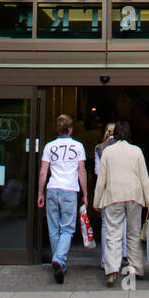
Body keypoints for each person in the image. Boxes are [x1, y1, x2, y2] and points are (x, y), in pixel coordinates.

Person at [93, 120, 149, 286]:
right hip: (134, 196)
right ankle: (135, 269)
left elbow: (101, 181)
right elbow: (144, 179)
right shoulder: (137, 151)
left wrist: (96, 201)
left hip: (113, 196)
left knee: (113, 233)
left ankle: (111, 271)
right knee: (133, 234)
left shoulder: (108, 152)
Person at [37, 114, 89, 284]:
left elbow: (43, 172)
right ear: (71, 129)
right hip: (69, 190)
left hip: (52, 188)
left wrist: (40, 193)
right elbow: (81, 171)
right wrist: (86, 193)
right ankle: (59, 260)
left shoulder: (49, 147)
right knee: (67, 229)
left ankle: (60, 263)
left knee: (54, 228)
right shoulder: (78, 146)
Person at [94, 122, 126, 271]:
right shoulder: (125, 148)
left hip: (106, 190)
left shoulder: (100, 149)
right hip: (121, 189)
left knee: (106, 226)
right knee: (123, 222)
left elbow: (97, 172)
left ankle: (105, 260)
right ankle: (122, 256)